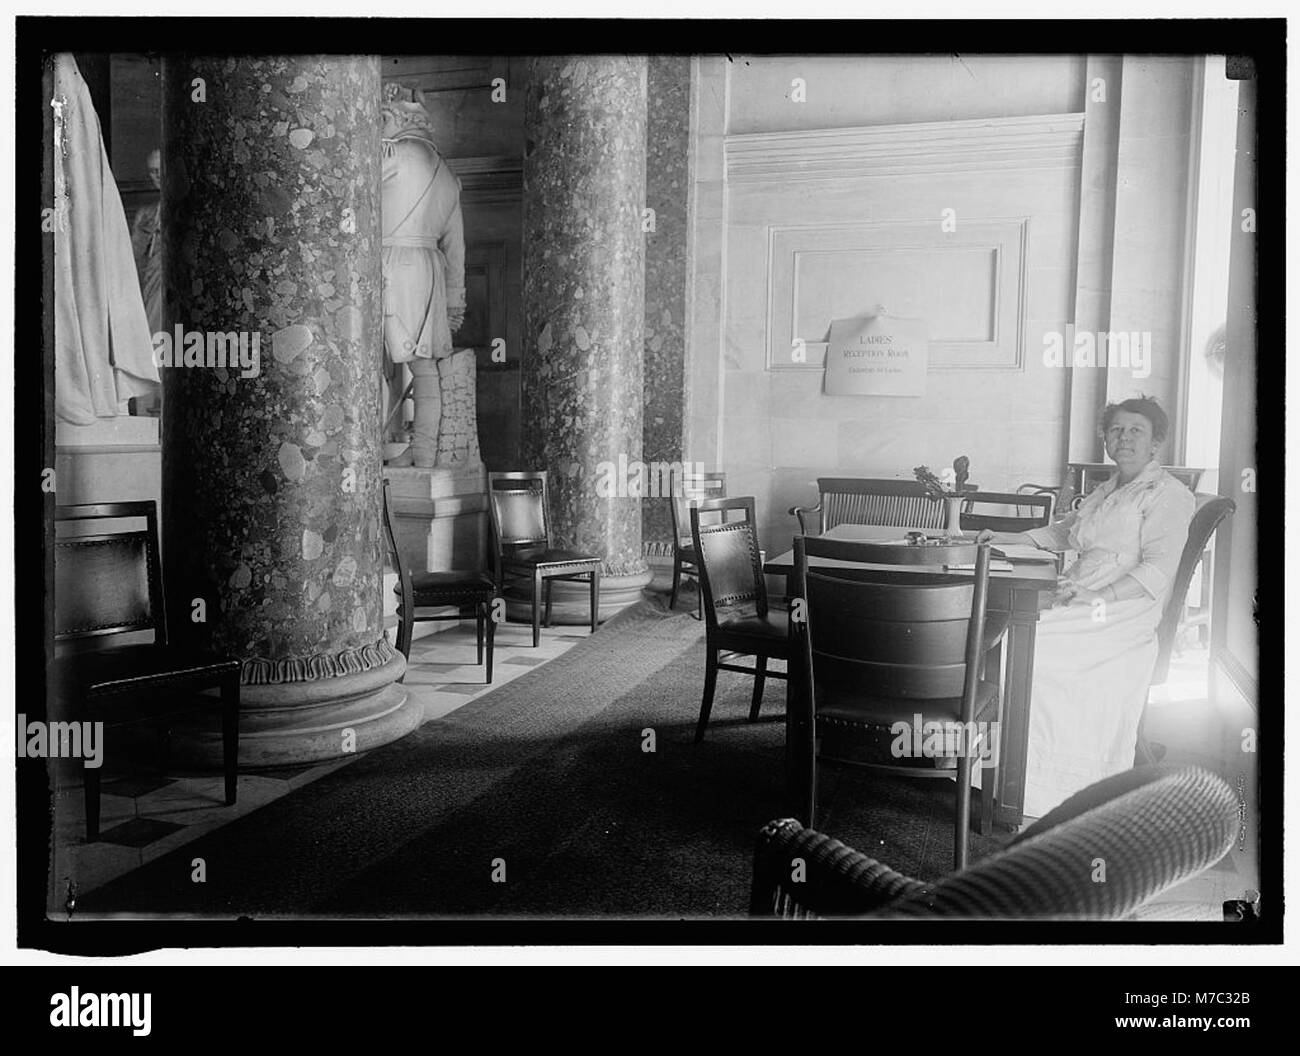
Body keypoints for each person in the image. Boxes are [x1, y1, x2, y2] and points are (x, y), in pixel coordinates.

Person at [978, 396, 1196, 818]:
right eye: (1116, 430)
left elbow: (1157, 570)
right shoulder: (1109, 488)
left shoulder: (1168, 494)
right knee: (1002, 632)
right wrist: (1013, 538)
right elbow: (1068, 533)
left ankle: (1042, 785)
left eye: (1136, 430)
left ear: (1156, 443)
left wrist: (1100, 598)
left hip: (1121, 612)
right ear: (1106, 439)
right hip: (1082, 594)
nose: (1124, 438)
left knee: (1016, 646)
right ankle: (1002, 772)